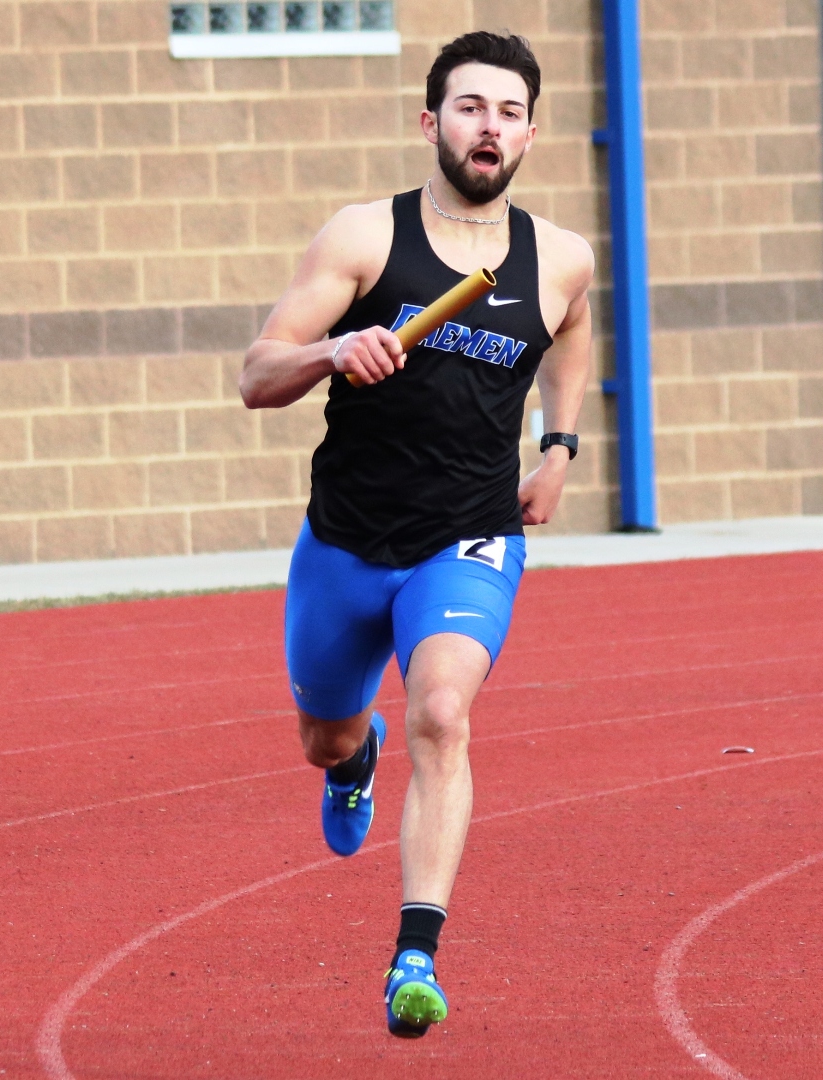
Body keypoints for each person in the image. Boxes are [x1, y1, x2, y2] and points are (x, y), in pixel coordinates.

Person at [238, 30, 594, 1038]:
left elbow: (572, 332)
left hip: (468, 538)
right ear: (430, 121)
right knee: (326, 737)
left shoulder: (560, 257)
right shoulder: (363, 239)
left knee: (443, 712)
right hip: (346, 544)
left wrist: (559, 447)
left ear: (530, 134)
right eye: (471, 107)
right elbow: (256, 375)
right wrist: (332, 351)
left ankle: (415, 956)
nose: (491, 128)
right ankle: (354, 760)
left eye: (511, 113)